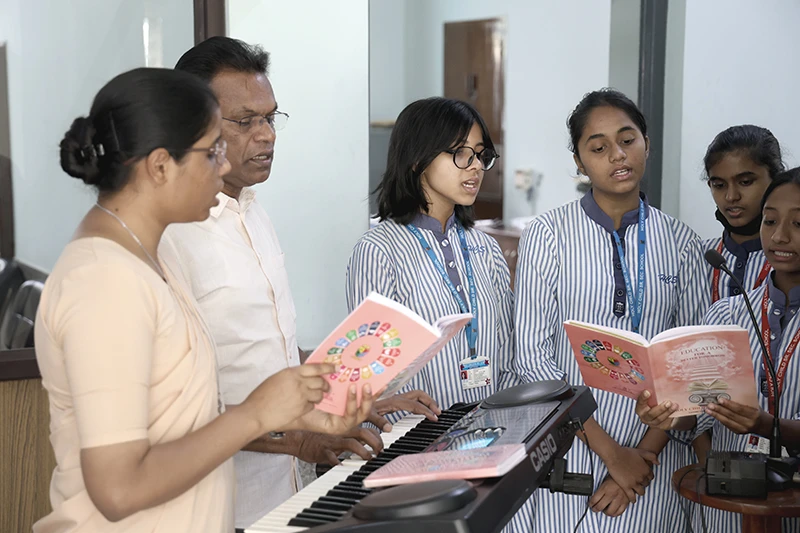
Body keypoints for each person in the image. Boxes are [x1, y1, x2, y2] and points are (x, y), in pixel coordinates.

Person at [34, 67, 372, 533]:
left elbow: (180, 423)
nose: (226, 166)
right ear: (159, 166)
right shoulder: (104, 280)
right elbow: (117, 490)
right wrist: (258, 413)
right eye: (212, 151)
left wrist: (292, 414)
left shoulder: (145, 259)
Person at [161, 37, 439, 530]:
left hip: (286, 493)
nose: (266, 135)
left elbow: (272, 357)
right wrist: (306, 440)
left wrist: (355, 398)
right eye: (244, 122)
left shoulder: (255, 213)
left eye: (270, 117)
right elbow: (182, 412)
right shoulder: (172, 236)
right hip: (220, 505)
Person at [510, 88, 708, 531]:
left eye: (628, 139)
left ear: (646, 144)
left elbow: (691, 361)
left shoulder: (682, 242)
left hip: (654, 453)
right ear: (580, 162)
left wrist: (642, 455)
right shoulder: (549, 234)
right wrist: (612, 454)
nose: (617, 155)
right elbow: (533, 357)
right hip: (571, 443)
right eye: (598, 148)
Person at [346, 96, 528, 530]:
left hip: (490, 446)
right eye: (460, 154)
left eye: (481, 154)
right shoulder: (379, 249)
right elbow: (367, 373)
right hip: (411, 453)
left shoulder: (485, 246)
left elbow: (504, 348)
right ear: (417, 159)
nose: (475, 166)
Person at [638, 167, 800, 532]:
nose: (779, 236)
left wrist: (768, 426)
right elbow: (701, 414)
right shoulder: (728, 314)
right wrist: (668, 413)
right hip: (728, 509)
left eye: (798, 224)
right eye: (770, 220)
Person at [701, 125, 784, 306]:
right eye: (719, 185)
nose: (731, 197)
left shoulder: (790, 257)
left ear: (776, 180)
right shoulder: (696, 257)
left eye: (745, 182)